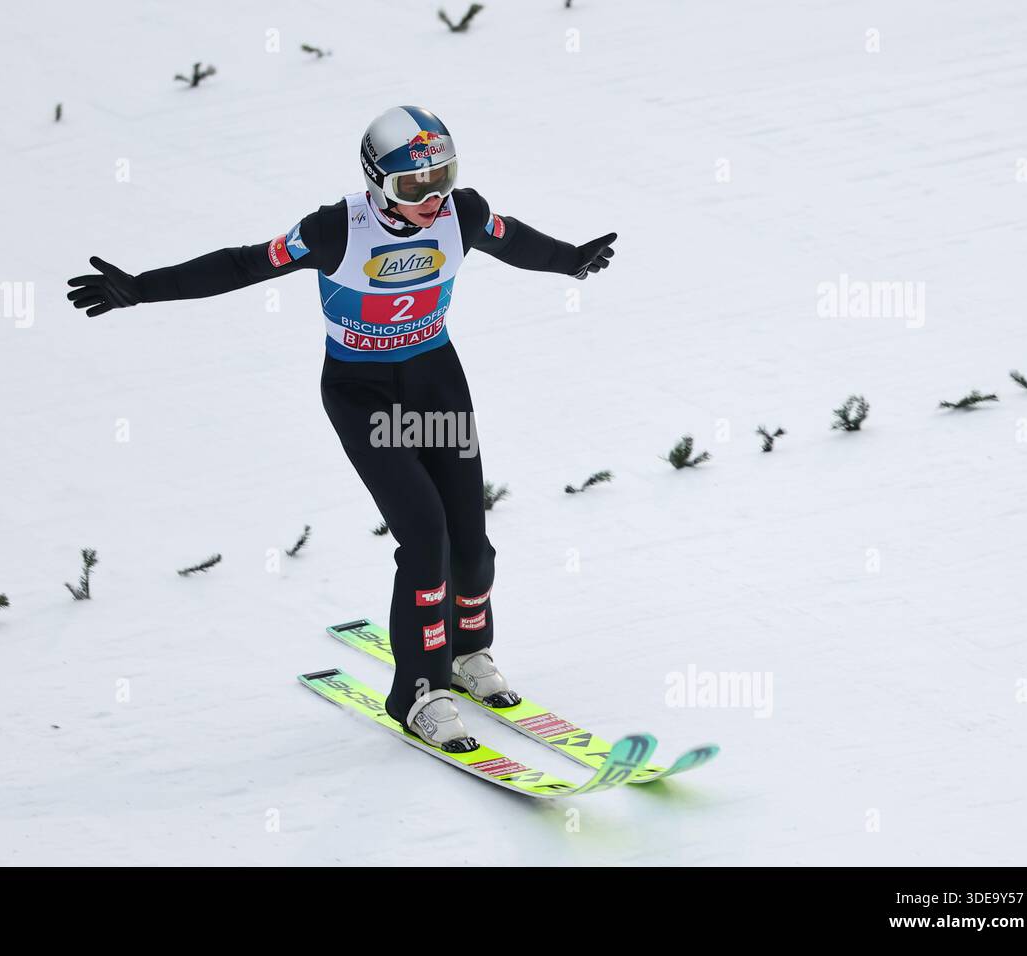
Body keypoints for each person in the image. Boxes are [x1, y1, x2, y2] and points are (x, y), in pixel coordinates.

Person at [67, 105, 616, 752]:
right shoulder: (335, 230)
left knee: (471, 542)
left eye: (444, 176)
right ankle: (419, 692)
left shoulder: (461, 214)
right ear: (378, 182)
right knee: (425, 540)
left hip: (436, 381)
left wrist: (570, 261)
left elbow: (514, 238)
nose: (433, 198)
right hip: (364, 394)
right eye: (415, 186)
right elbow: (243, 265)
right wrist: (143, 289)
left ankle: (470, 652)